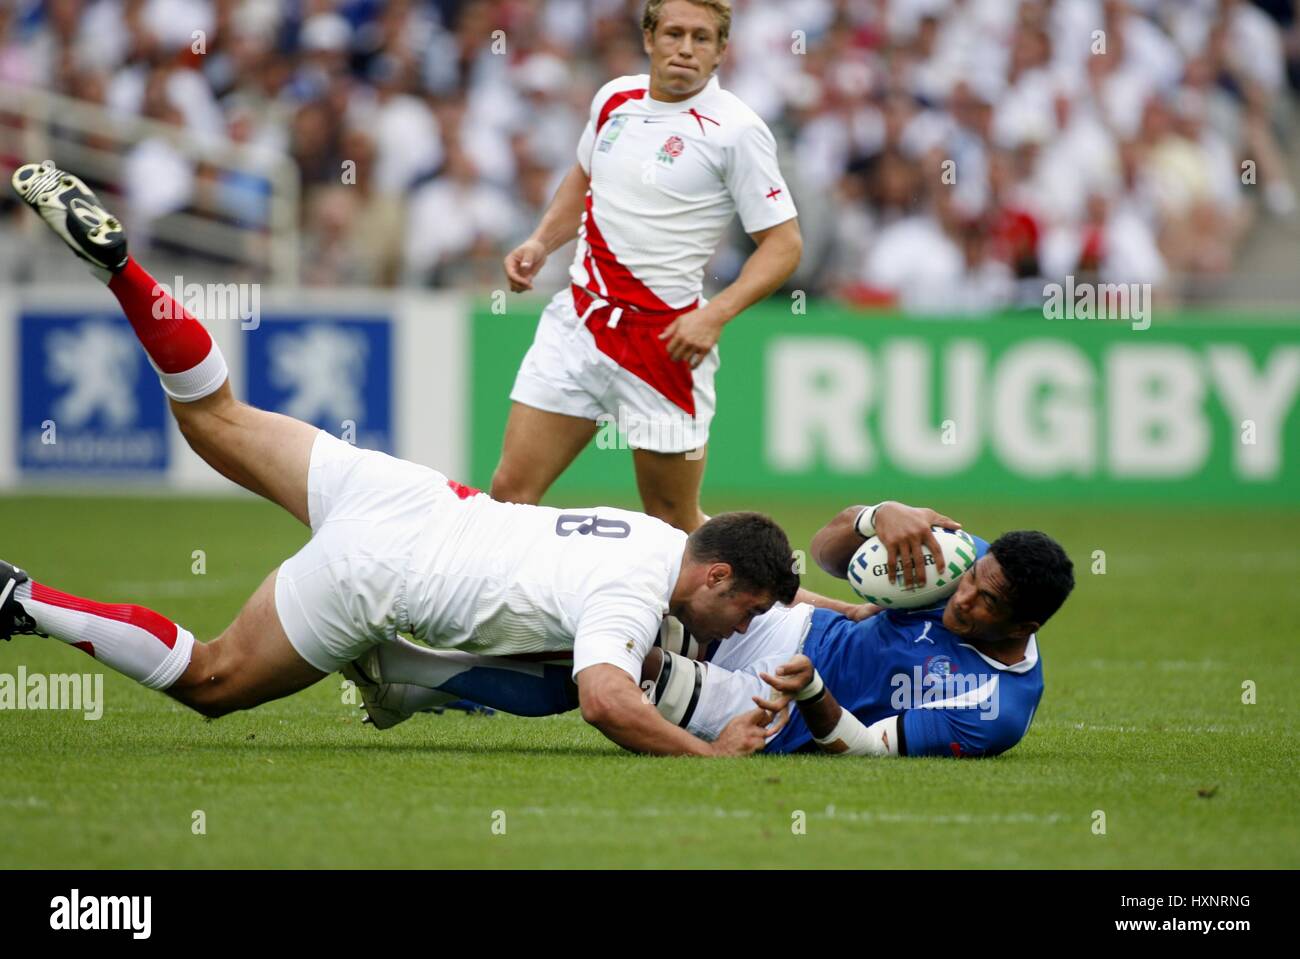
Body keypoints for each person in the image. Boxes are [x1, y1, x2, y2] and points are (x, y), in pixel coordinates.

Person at [1, 160, 799, 758]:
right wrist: (707, 751)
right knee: (212, 680)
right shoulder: (628, 601)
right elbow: (605, 702)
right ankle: (23, 600)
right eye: (750, 611)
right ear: (717, 577)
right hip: (376, 570)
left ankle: (123, 271)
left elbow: (722, 594)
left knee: (216, 415)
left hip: (404, 490)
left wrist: (837, 611)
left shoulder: (662, 540)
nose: (745, 628)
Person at [345, 501, 1074, 759]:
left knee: (630, 677)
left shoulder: (992, 712)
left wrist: (815, 691)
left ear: (1026, 623)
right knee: (615, 625)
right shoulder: (963, 555)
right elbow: (821, 555)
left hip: (787, 710)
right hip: (793, 628)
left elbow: (862, 752)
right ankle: (417, 676)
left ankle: (416, 676)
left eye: (985, 601)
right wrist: (871, 516)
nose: (962, 595)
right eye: (972, 578)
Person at [495, 0, 801, 533]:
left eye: (702, 38)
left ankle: (755, 608)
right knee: (508, 494)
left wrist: (715, 315)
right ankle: (512, 617)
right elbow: (584, 176)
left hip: (664, 344)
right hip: (579, 322)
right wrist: (542, 242)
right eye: (674, 33)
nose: (686, 48)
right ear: (649, 38)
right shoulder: (614, 97)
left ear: (721, 51)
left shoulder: (737, 130)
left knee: (671, 520)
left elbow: (784, 243)